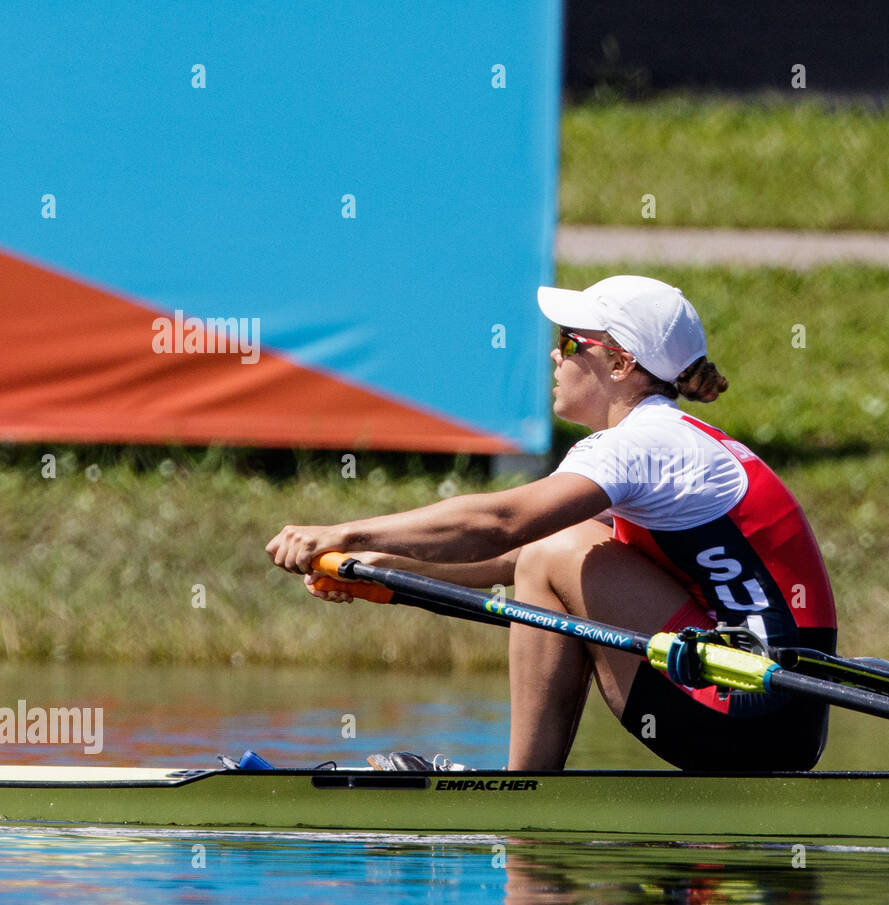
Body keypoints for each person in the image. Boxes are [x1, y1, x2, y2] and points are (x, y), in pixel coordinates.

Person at [266, 275, 837, 771]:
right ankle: (528, 783)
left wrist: (345, 534)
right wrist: (387, 574)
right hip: (775, 712)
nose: (554, 357)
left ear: (620, 364)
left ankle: (523, 782)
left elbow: (501, 525)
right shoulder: (669, 443)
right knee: (557, 549)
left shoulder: (640, 447)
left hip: (745, 705)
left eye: (571, 343)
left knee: (554, 549)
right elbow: (524, 558)